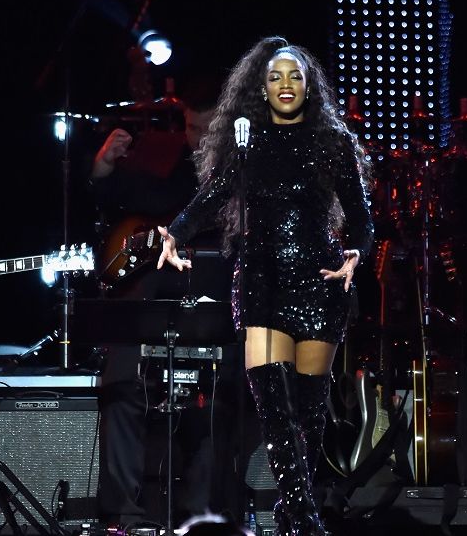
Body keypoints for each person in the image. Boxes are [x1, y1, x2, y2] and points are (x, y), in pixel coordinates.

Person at [156, 36, 374, 536]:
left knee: (309, 411)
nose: (285, 84)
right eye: (275, 77)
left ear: (308, 85)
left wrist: (356, 253)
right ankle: (303, 520)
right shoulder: (246, 138)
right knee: (275, 410)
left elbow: (362, 216)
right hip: (261, 282)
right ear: (261, 86)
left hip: (319, 282)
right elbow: (213, 195)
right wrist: (177, 231)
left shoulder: (333, 140)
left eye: (294, 76)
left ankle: (292, 511)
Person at [90, 94, 248, 529]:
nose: (198, 140)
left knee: (225, 394)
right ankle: (121, 514)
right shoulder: (169, 166)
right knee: (120, 380)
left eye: (207, 130)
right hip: (154, 310)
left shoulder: (248, 171)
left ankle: (203, 518)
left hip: (220, 317)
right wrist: (104, 165)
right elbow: (118, 195)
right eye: (192, 129)